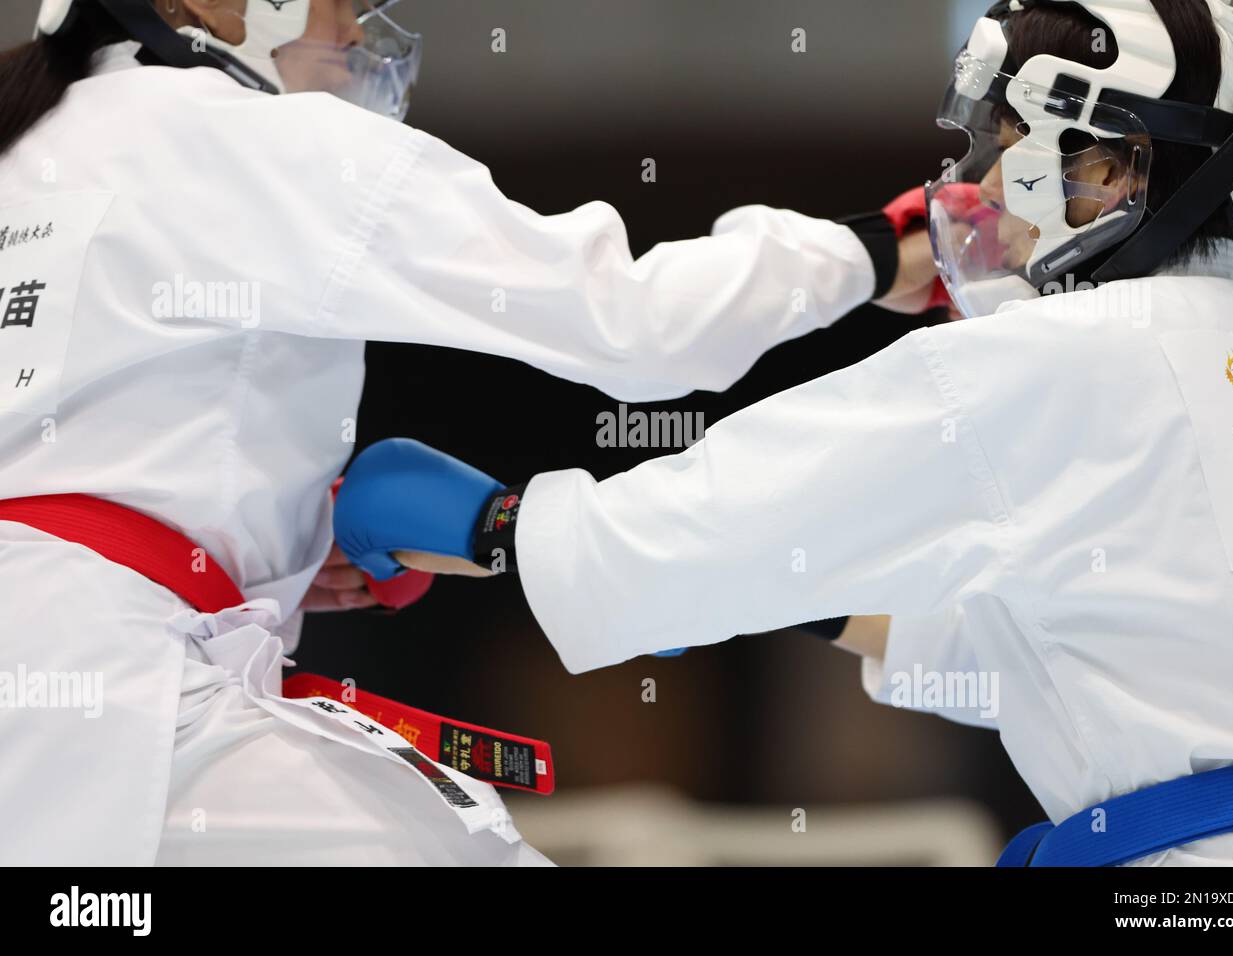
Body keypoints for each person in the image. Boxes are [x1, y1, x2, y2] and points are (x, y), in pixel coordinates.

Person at [335, 0, 1233, 866]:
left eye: (1006, 144)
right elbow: (1072, 656)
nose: (980, 189)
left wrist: (499, 527)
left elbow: (720, 510)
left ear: (1107, 166)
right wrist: (783, 588)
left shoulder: (1062, 356)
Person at [0, 0, 936, 865]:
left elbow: (84, 463)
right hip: (115, 691)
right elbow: (635, 328)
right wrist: (869, 254)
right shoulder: (251, 137)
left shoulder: (33, 144)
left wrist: (259, 546)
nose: (362, 24)